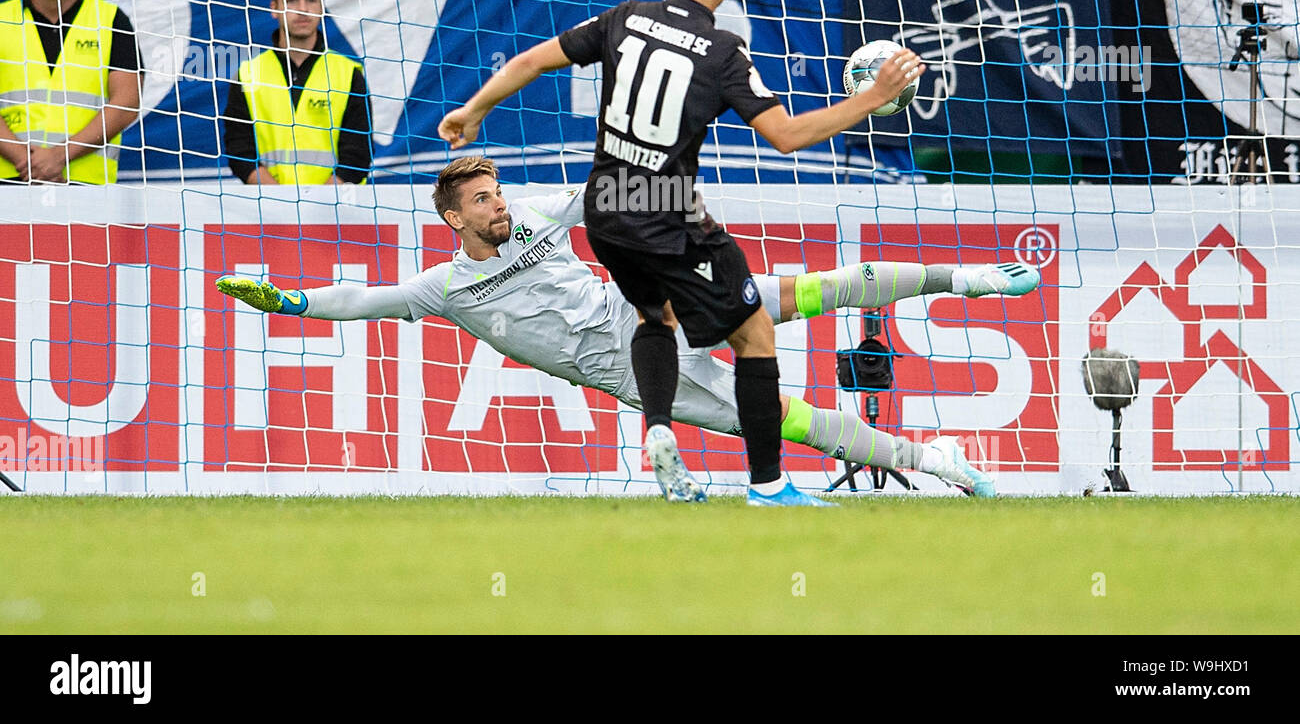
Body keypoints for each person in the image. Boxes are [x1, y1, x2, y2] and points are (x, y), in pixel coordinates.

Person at [438, 0, 926, 506]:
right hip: (665, 209)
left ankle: (660, 428)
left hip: (605, 210)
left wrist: (474, 110)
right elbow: (787, 135)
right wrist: (871, 98)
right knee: (754, 333)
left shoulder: (624, 19)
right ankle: (769, 486)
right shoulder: (724, 53)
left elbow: (530, 62)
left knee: (653, 317)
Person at [217, 156, 1039, 497]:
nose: (497, 203)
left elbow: (602, 186)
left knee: (804, 291)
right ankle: (941, 463)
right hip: (635, 370)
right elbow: (362, 300)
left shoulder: (536, 212)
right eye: (480, 199)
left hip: (649, 311)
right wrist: (287, 301)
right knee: (786, 420)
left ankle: (964, 278)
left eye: (497, 192)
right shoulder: (443, 287)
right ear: (450, 217)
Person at [0, 0, 142, 184]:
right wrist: (28, 160)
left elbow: (127, 104)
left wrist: (59, 156)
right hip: (8, 184)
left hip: (86, 187)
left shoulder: (110, 20)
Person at [224, 0, 371, 185]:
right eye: (291, 0)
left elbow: (357, 156)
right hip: (271, 211)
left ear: (321, 7)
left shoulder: (349, 73)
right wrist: (284, 205)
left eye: (311, 0)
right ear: (274, 8)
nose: (302, 9)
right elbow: (240, 152)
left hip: (337, 212)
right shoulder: (248, 74)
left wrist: (317, 207)